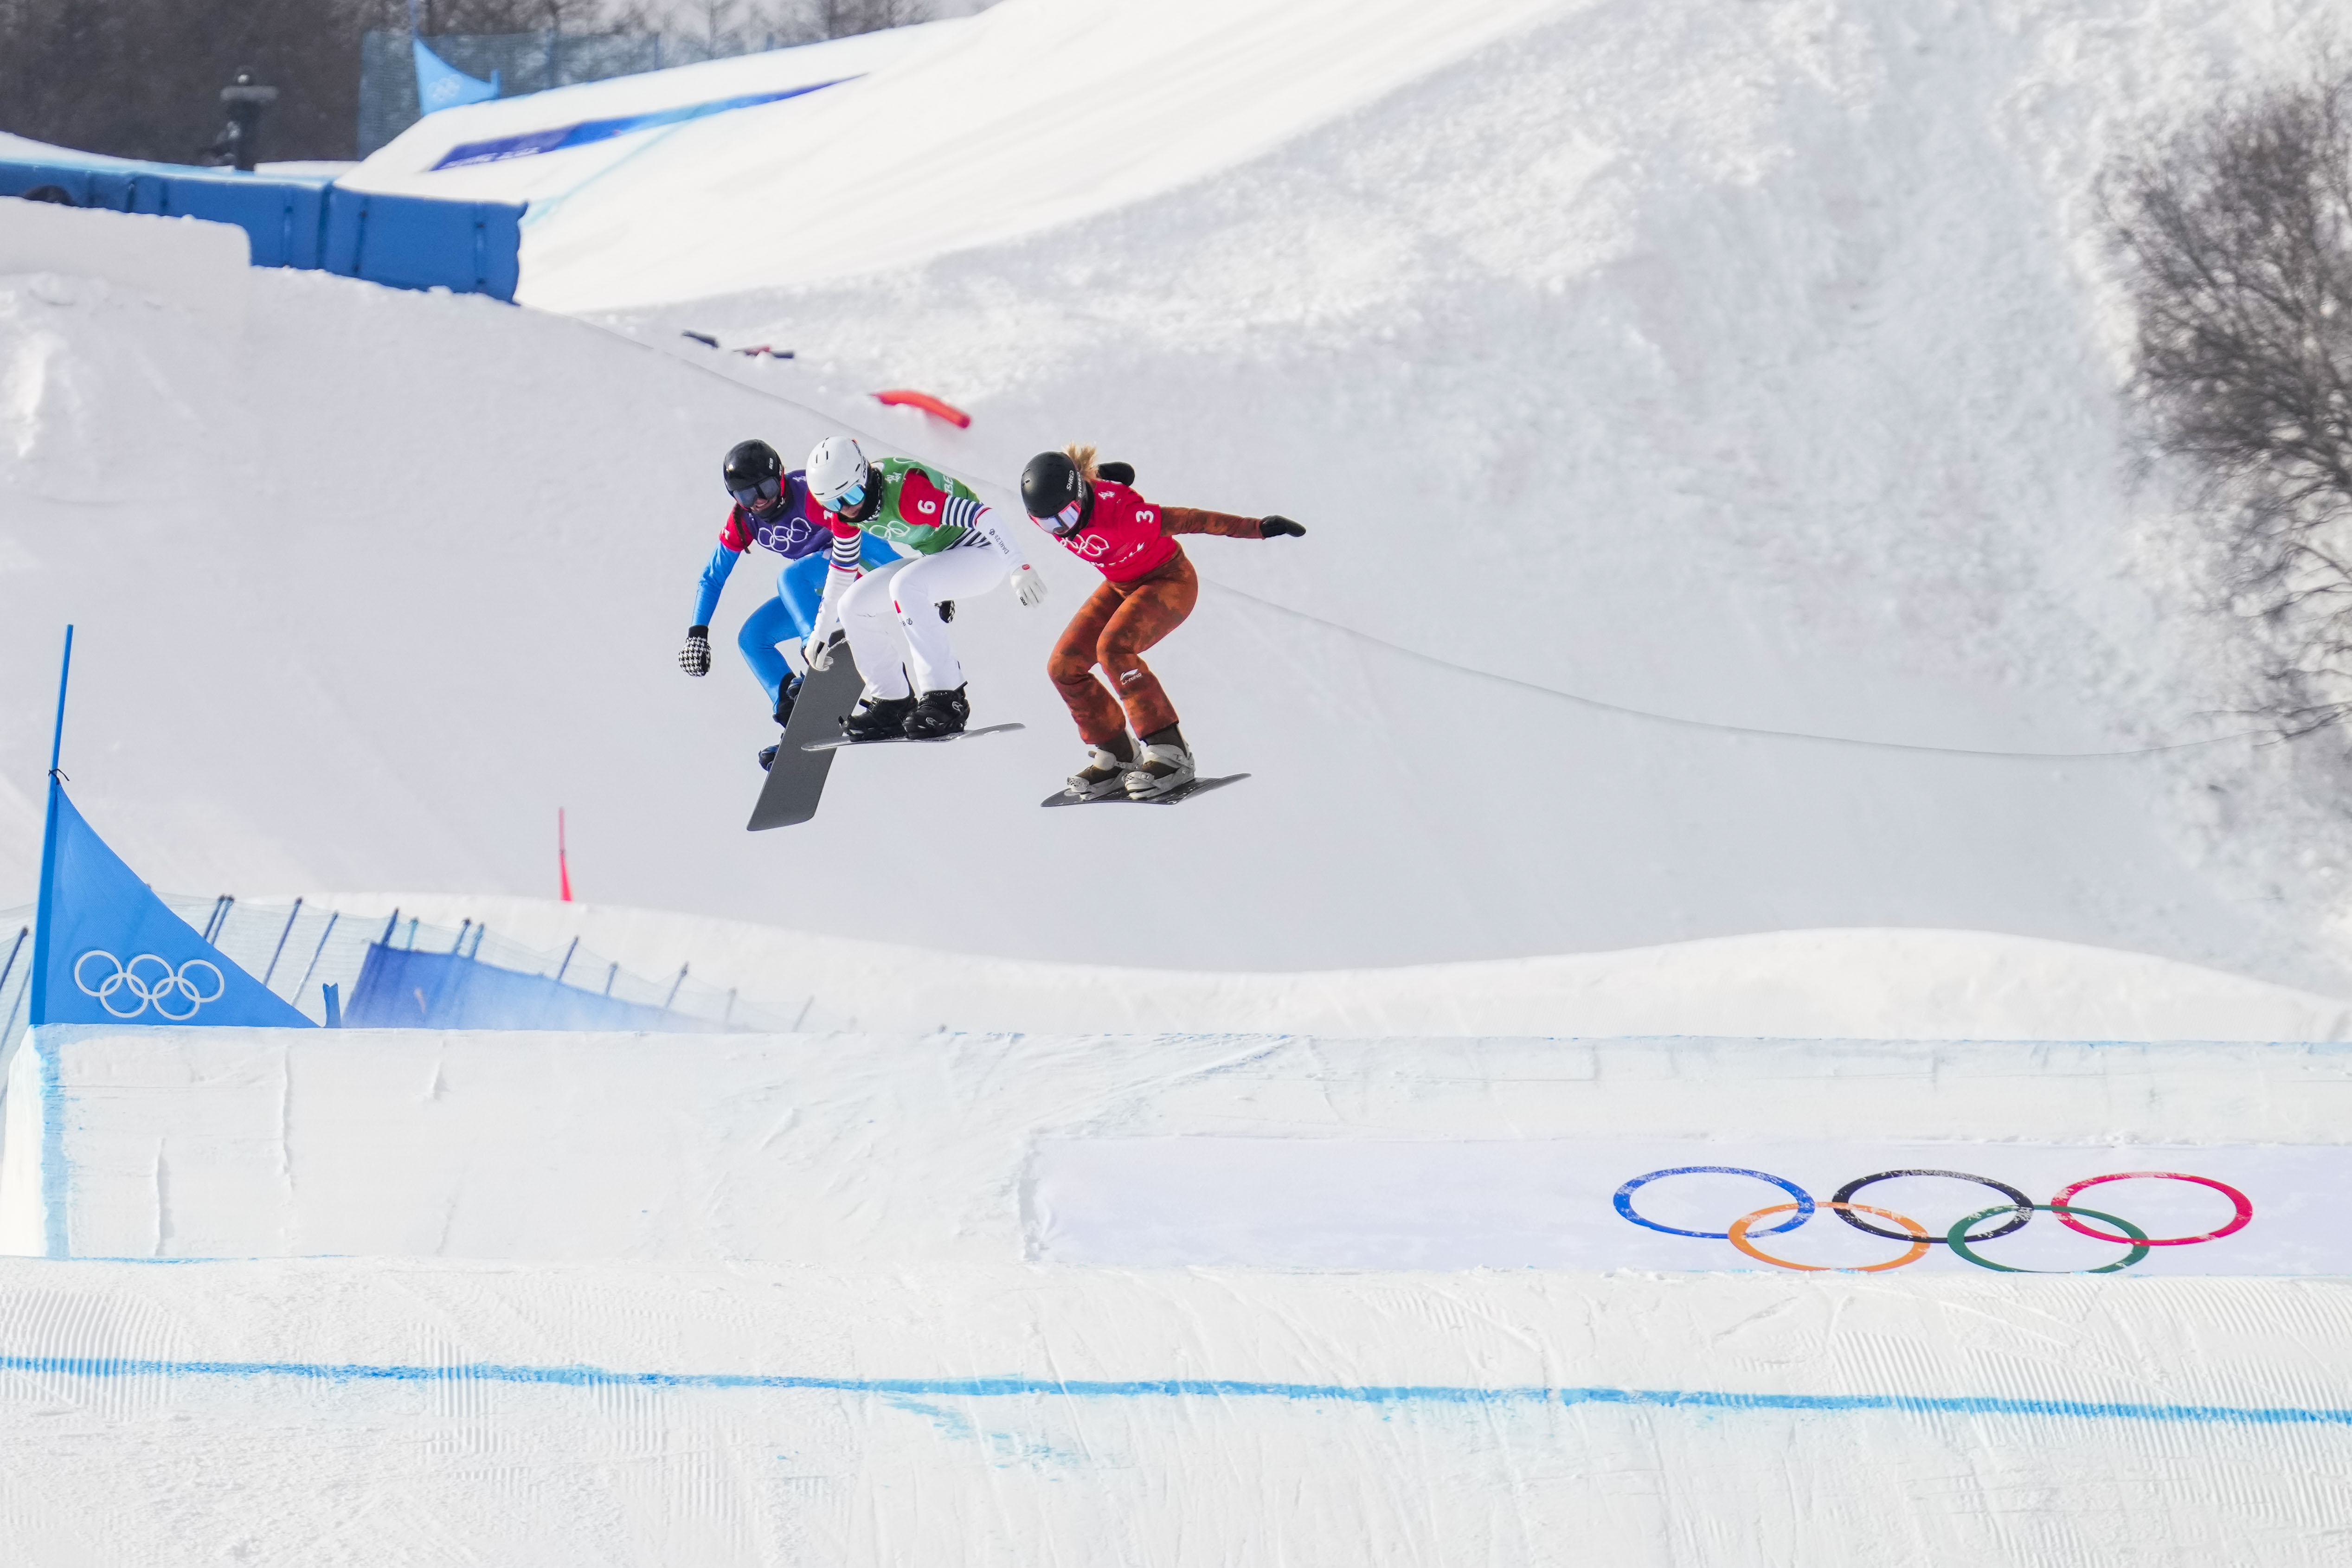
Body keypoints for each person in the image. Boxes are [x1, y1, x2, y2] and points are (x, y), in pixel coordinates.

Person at [1020, 446, 1305, 800]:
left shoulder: (1126, 517)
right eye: (1047, 524)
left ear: (1079, 496)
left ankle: (1172, 753)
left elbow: (1192, 519)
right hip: (1122, 585)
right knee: (1063, 667)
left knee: (1113, 649)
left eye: (1066, 516)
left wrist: (1258, 528)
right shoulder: (1068, 504)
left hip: (1169, 582)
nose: (1062, 530)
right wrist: (1110, 476)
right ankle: (1119, 756)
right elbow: (1096, 483)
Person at [800, 435, 1050, 740]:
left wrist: (1018, 566)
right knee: (853, 604)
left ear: (865, 476)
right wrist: (820, 632)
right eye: (831, 503)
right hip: (942, 556)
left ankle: (947, 698)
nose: (846, 509)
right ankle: (892, 702)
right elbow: (842, 567)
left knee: (906, 587)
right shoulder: (845, 511)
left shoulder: (908, 494)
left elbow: (985, 517)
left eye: (851, 496)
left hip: (983, 556)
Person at [677, 438, 894, 769]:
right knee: (753, 638)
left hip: (851, 573)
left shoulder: (808, 493)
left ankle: (820, 650)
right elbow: (712, 577)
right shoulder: (743, 521)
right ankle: (796, 718)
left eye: (765, 487)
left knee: (791, 578)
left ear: (780, 476)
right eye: (747, 496)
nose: (761, 501)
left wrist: (905, 580)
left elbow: (866, 536)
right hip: (817, 590)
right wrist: (698, 632)